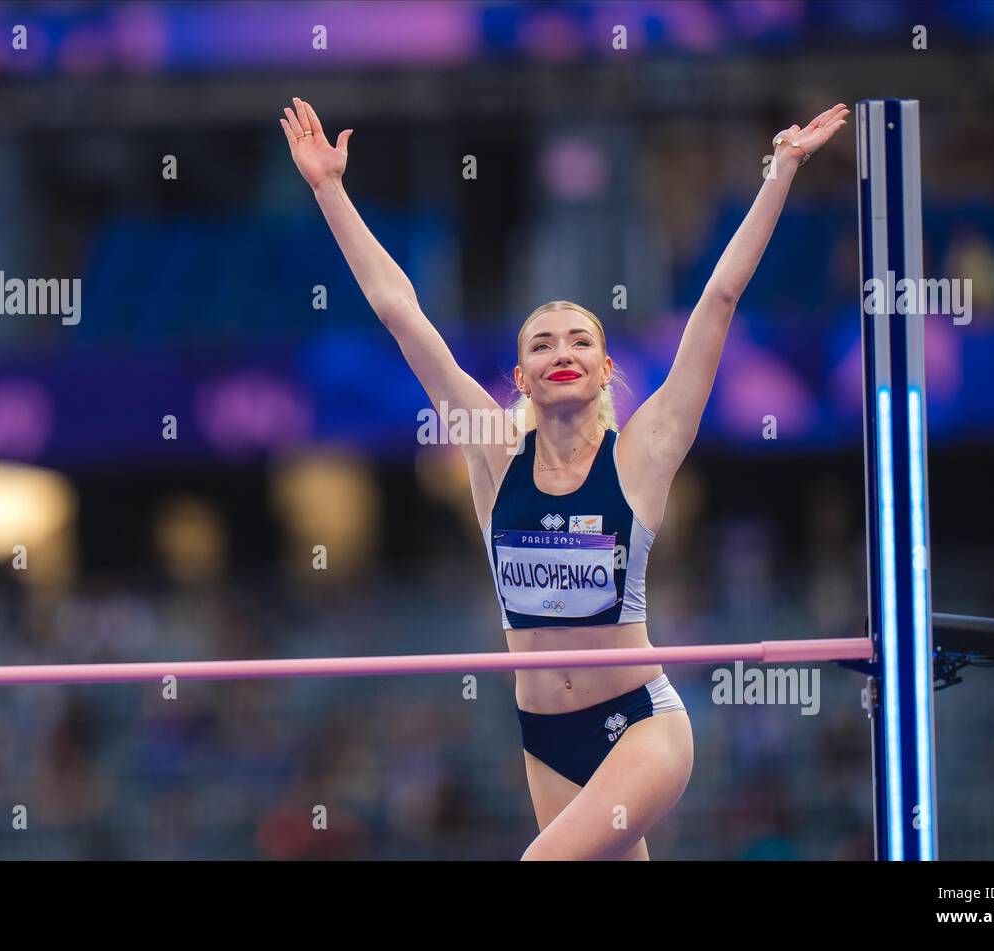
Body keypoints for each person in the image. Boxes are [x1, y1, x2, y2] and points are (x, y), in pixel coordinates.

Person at [281, 96, 849, 860]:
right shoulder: (489, 452)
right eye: (543, 342)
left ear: (606, 367)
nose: (563, 349)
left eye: (581, 338)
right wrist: (329, 190)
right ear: (521, 376)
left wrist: (779, 169)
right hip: (545, 736)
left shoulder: (642, 453)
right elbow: (400, 312)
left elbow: (718, 298)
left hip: (642, 723)